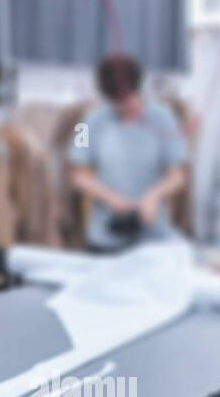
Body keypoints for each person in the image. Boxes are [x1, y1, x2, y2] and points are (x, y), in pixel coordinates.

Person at [69, 53, 188, 252]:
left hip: (153, 238)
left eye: (130, 98)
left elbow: (178, 176)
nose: (126, 106)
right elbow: (77, 176)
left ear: (138, 88)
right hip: (105, 238)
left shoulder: (165, 119)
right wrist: (110, 197)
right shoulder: (87, 122)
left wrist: (153, 196)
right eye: (119, 102)